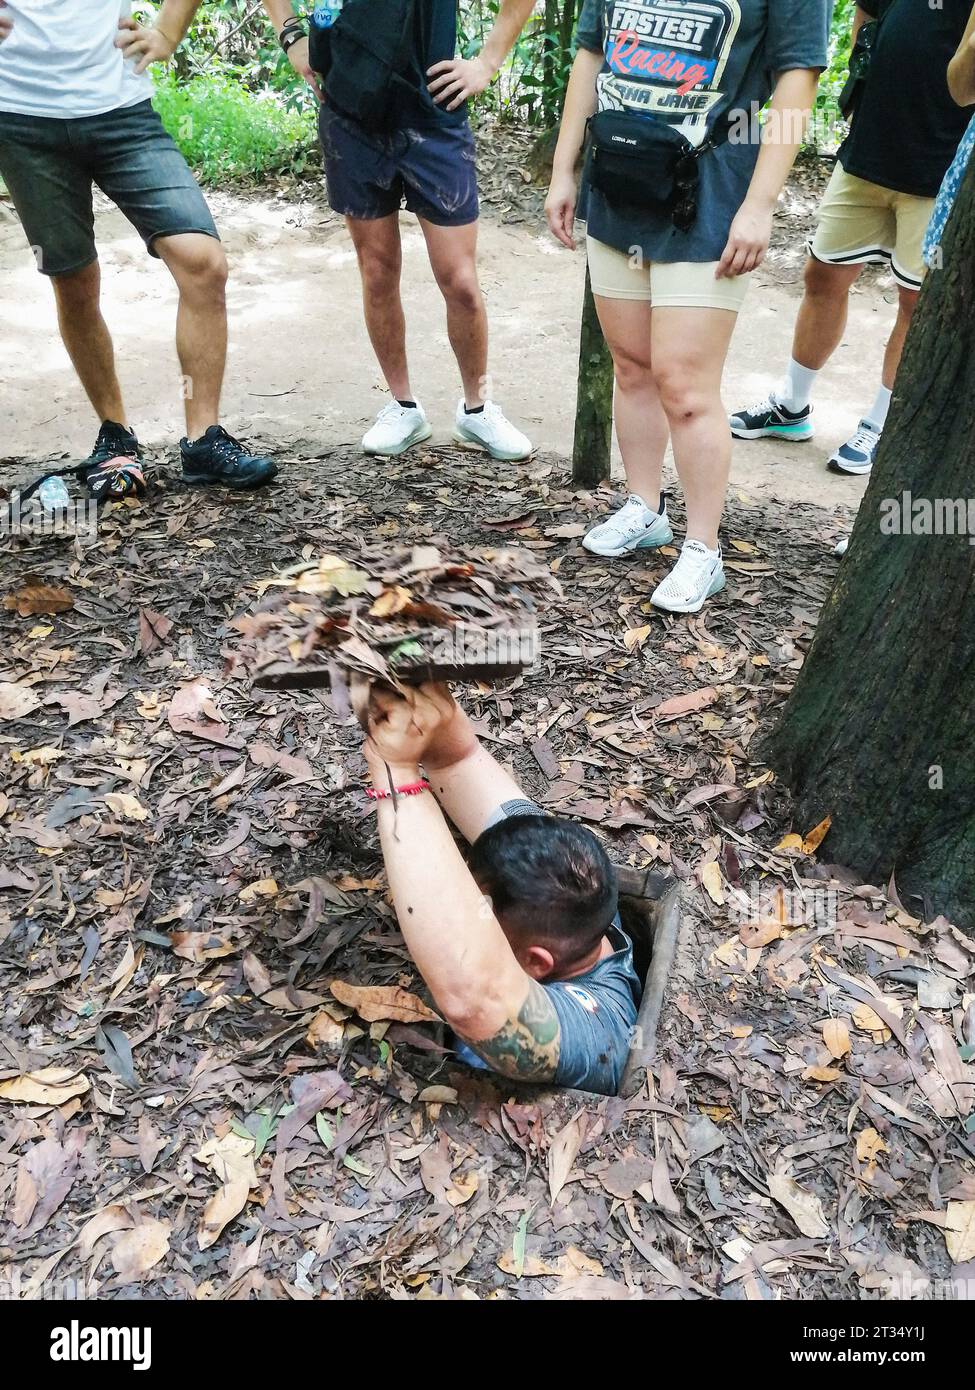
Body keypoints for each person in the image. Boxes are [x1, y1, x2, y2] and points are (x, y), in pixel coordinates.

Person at [546, 0, 828, 614]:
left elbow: (797, 77)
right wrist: (564, 169)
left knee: (687, 384)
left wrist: (761, 203)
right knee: (632, 364)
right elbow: (591, 52)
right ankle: (645, 507)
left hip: (711, 192)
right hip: (620, 177)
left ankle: (704, 548)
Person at [0, 1, 277, 498]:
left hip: (123, 114)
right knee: (76, 281)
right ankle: (115, 435)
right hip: (21, 121)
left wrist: (168, 31)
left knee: (203, 264)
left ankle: (203, 438)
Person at [260, 0, 534, 462]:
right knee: (378, 270)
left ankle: (478, 408)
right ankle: (403, 406)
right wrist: (291, 34)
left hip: (434, 113)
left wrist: (487, 62)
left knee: (461, 281)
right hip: (350, 113)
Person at [731, 0, 975, 478]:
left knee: (915, 303)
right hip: (868, 150)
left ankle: (881, 424)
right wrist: (861, 68)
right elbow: (866, 12)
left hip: (941, 169)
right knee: (822, 275)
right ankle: (791, 406)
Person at [361, 683, 641, 1095]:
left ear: (537, 963)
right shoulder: (577, 894)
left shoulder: (602, 1030)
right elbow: (460, 761)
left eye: (478, 912)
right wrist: (423, 701)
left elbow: (475, 1001)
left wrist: (395, 775)